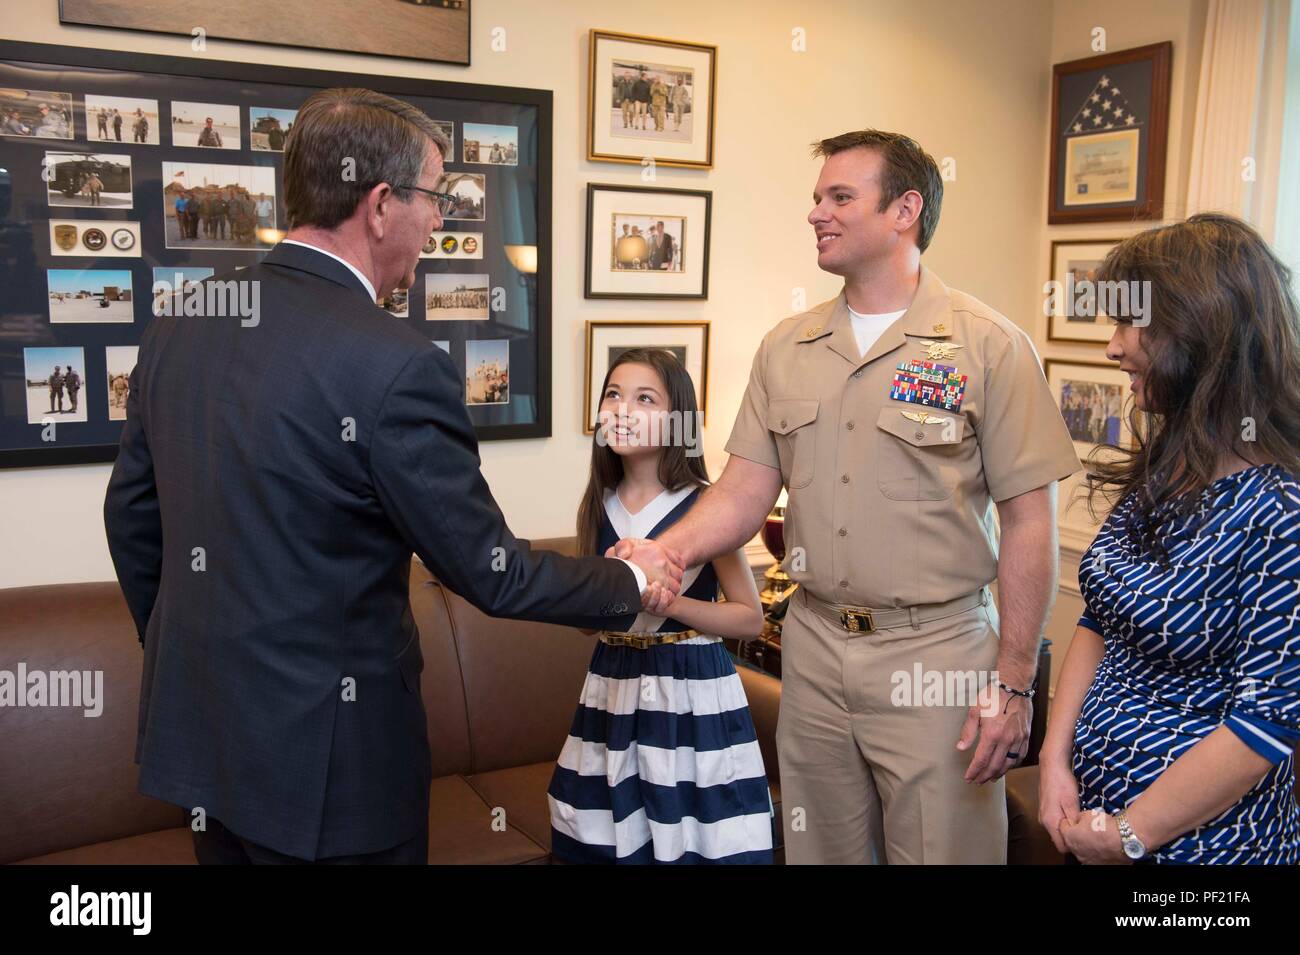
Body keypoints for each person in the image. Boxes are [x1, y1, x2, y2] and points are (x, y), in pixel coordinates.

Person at [104, 86, 682, 867]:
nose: (440, 220)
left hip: (203, 744)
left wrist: (186, 653)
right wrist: (628, 583)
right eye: (436, 199)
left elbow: (132, 522)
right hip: (334, 775)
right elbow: (490, 570)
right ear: (381, 204)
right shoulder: (396, 363)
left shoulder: (182, 323)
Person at [624, 130, 1081, 864]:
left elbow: (1031, 521)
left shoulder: (987, 345)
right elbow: (744, 488)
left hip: (936, 652)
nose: (816, 213)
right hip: (813, 646)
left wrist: (1016, 685)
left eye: (840, 197)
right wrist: (663, 550)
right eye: (817, 198)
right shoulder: (787, 346)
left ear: (906, 210)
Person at [1039, 213, 1300, 865]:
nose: (1113, 347)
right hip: (1093, 815)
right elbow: (1101, 620)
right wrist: (1053, 756)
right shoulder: (1167, 469)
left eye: (1132, 324)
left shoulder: (1281, 507)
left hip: (1209, 852)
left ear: (1200, 331)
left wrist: (1132, 834)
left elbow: (1263, 725)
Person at [547, 348, 772, 863]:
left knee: (696, 833)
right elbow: (586, 629)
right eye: (613, 394)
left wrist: (674, 603)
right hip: (614, 685)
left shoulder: (707, 505)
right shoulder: (597, 503)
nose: (623, 409)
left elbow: (750, 618)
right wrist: (594, 595)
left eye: (645, 399)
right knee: (610, 833)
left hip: (691, 687)